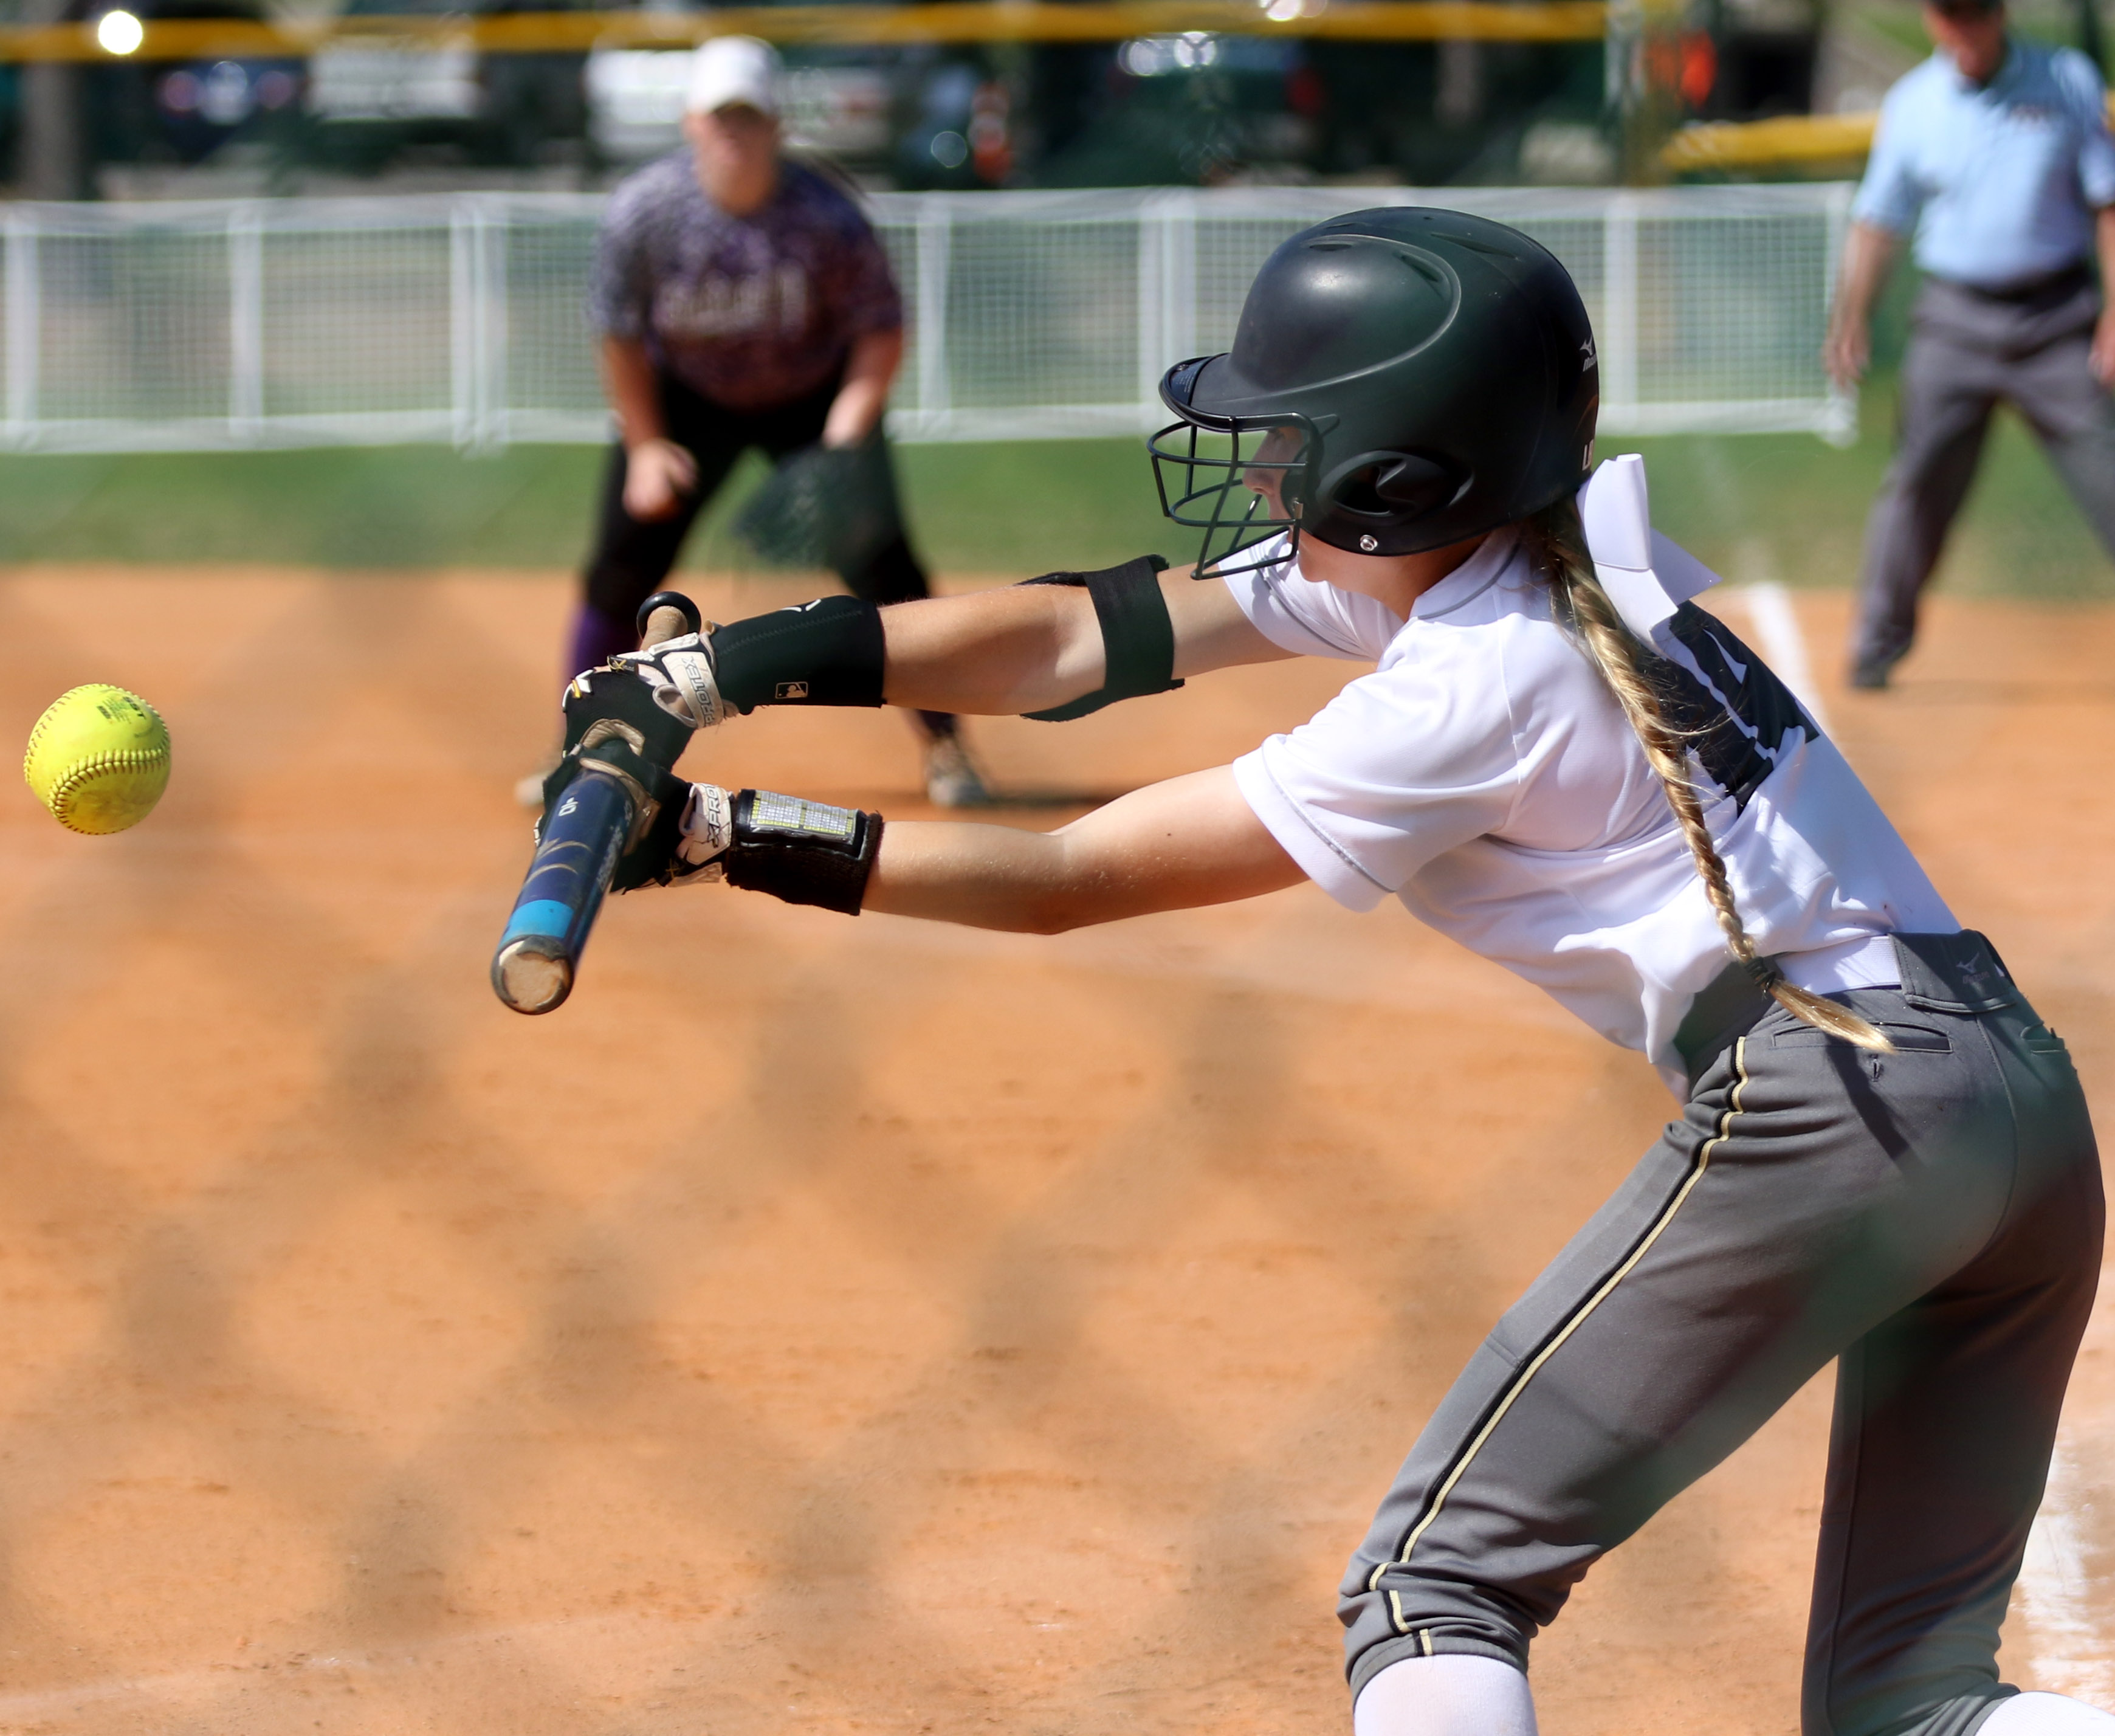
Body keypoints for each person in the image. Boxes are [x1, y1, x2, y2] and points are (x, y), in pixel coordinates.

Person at [542, 208, 2107, 1735]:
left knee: (1435, 1587)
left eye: (1294, 437)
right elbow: (1081, 643)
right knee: (1911, 1697)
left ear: (1400, 465)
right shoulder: (1532, 562)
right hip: (2013, 1100)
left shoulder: (1468, 687)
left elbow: (1064, 878)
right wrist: (727, 668)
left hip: (1834, 1099)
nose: (1266, 464)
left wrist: (721, 835)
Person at [535, 33, 988, 808]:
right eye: (720, 117)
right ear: (690, 123)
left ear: (778, 124)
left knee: (890, 578)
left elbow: (880, 325)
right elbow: (617, 333)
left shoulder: (825, 214)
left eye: (750, 116)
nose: (734, 133)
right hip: (687, 400)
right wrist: (647, 446)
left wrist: (845, 437)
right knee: (620, 566)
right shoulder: (647, 211)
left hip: (812, 398)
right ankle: (578, 749)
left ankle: (947, 748)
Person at [1826, 0, 2115, 691]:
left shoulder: (2066, 78)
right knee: (1917, 482)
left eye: (1973, 13)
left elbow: (2107, 200)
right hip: (1955, 321)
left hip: (2057, 319)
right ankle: (1877, 645)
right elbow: (1879, 219)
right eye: (1947, 14)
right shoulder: (1914, 102)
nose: (1961, 29)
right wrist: (1852, 316)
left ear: (1999, 12)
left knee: (2109, 475)